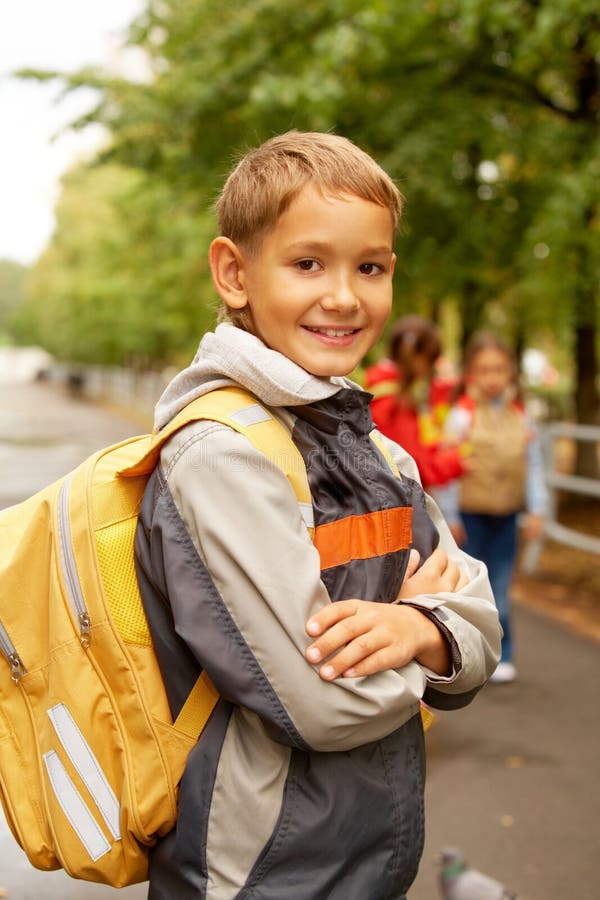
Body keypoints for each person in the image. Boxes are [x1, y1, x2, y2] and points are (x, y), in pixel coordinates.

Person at [134, 131, 502, 899]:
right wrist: (441, 639)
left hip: (368, 850)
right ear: (234, 272)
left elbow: (482, 622)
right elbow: (325, 702)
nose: (343, 295)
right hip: (261, 871)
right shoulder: (223, 456)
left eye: (368, 267)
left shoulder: (373, 448)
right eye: (308, 264)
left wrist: (420, 626)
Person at [442, 331, 548, 684]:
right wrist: (450, 515)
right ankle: (468, 655)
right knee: (471, 589)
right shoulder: (462, 415)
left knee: (501, 589)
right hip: (470, 516)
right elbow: (449, 469)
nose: (492, 378)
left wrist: (537, 510)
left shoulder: (522, 415)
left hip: (506, 517)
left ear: (510, 373)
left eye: (499, 370)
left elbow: (533, 465)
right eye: (484, 370)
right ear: (472, 372)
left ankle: (505, 653)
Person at [364, 315, 466, 493]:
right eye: (430, 361)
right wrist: (458, 458)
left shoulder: (381, 391)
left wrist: (438, 447)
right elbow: (410, 467)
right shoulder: (391, 403)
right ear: (420, 358)